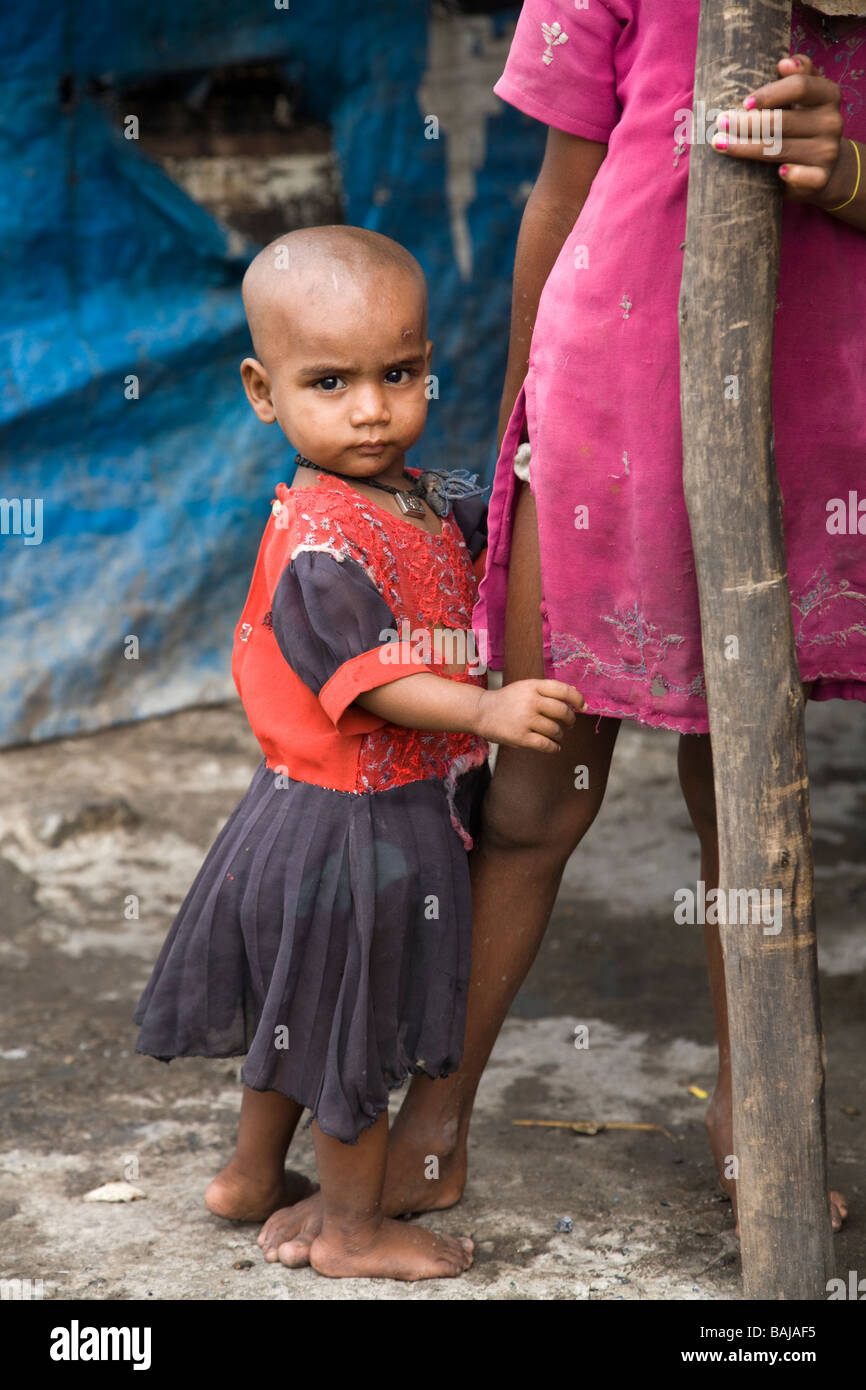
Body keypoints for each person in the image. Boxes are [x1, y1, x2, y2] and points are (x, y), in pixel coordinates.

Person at [258, 0, 864, 1265]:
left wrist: (847, 169)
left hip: (808, 407)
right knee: (535, 790)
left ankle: (760, 1132)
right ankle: (433, 1123)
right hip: (606, 414)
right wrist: (521, 430)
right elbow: (563, 191)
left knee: (744, 791)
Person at [133, 224, 584, 1281]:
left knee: (298, 1009)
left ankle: (249, 1178)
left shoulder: (420, 494)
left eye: (399, 374)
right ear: (261, 389)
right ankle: (349, 1228)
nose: (372, 408)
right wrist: (486, 711)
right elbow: (370, 678)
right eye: (328, 381)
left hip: (334, 815)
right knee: (354, 1028)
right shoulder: (319, 545)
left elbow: (491, 517)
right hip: (352, 828)